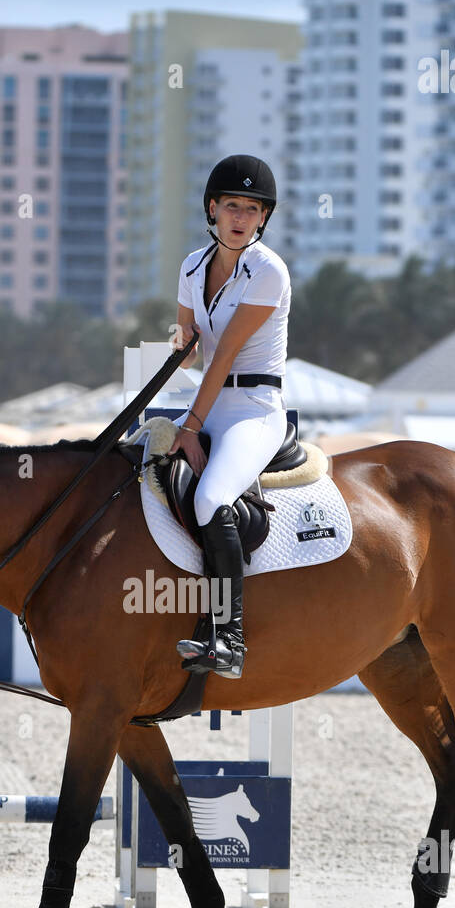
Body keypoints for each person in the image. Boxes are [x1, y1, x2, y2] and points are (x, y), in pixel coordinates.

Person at [170, 153, 291, 680]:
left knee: (211, 496)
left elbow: (225, 357)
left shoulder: (268, 271)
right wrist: (176, 349)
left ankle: (229, 638)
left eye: (253, 209)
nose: (242, 217)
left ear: (264, 218)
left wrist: (191, 427)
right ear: (212, 208)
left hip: (254, 409)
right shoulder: (192, 266)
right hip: (209, 399)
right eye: (233, 207)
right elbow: (191, 345)